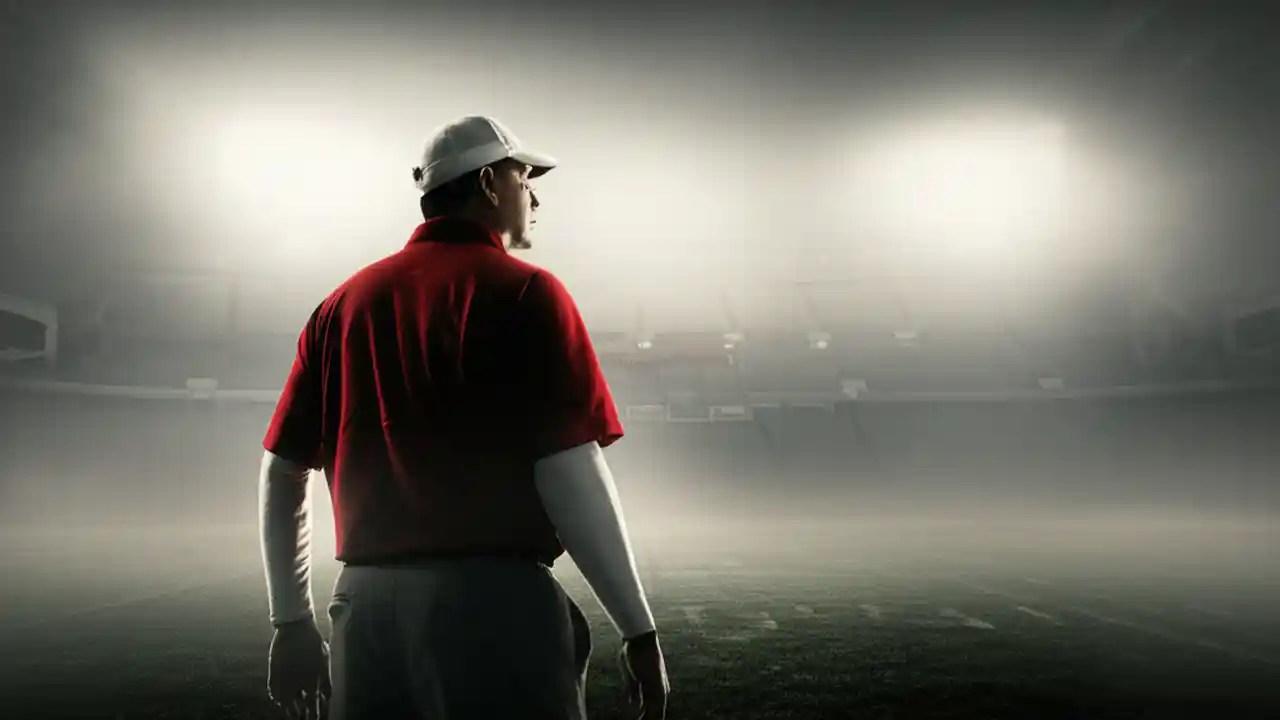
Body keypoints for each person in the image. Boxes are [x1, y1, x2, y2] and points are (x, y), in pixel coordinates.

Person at [258, 115, 669, 719]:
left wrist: (292, 621)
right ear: (487, 184)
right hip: (492, 606)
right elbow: (569, 472)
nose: (533, 195)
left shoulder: (339, 306)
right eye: (523, 176)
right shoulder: (527, 292)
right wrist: (638, 630)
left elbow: (282, 469)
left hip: (364, 611)